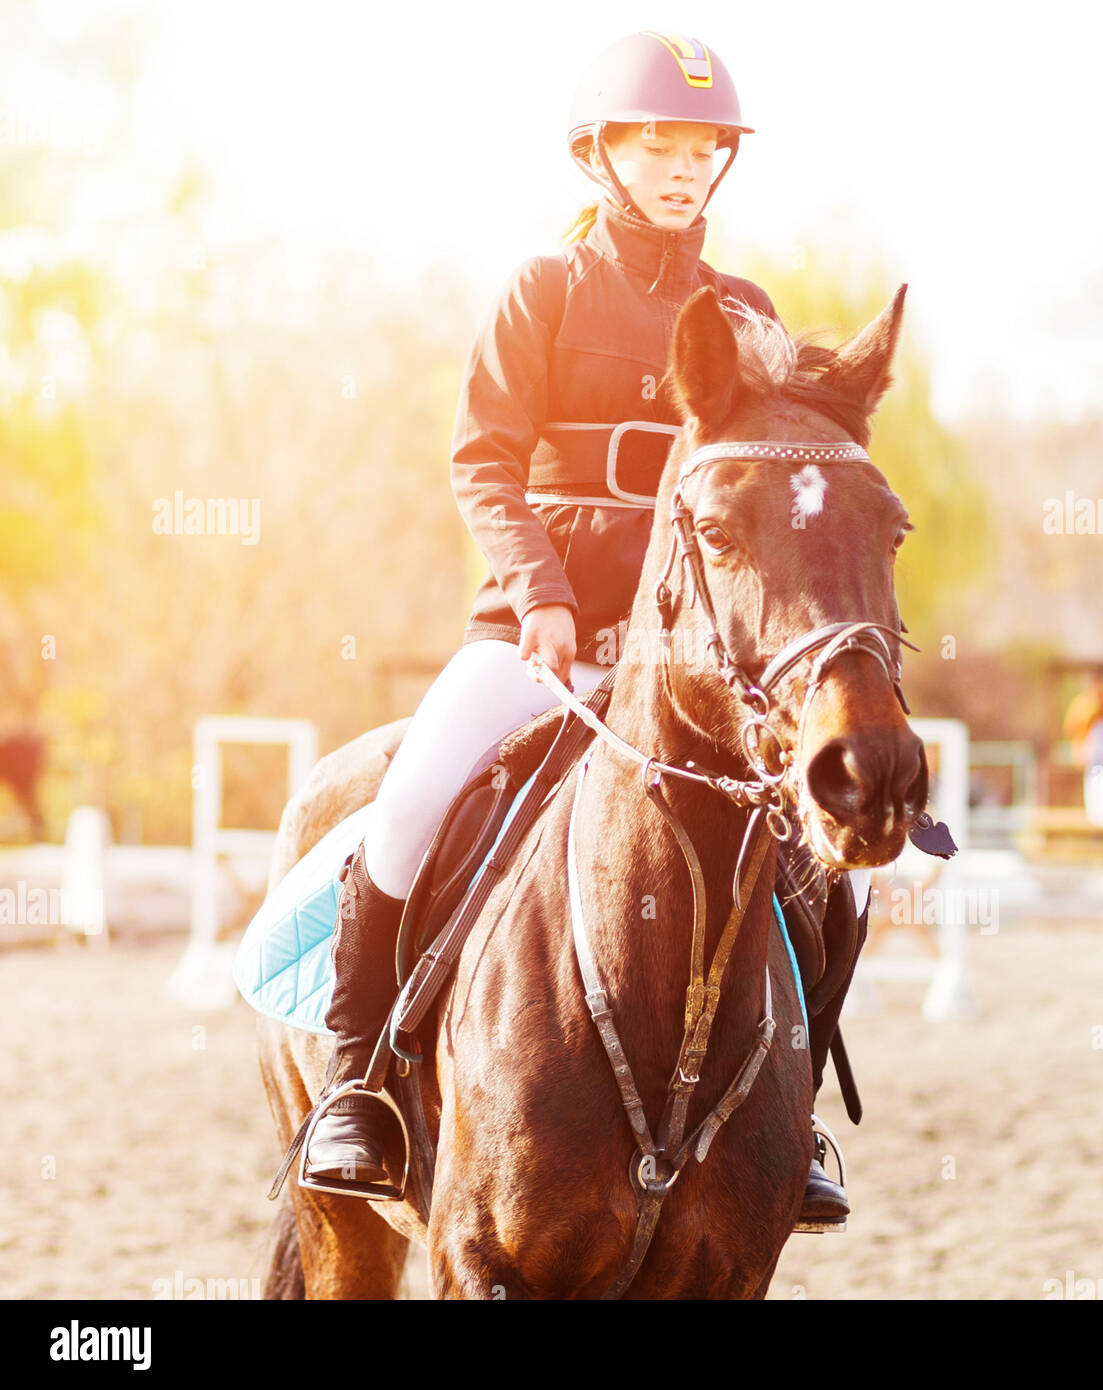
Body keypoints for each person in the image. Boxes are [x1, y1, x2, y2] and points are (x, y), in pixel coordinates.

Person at [305, 30, 852, 1223]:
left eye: (703, 150)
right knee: (411, 801)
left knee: (823, 868)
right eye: (659, 146)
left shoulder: (745, 310)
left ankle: (792, 1115)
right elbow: (482, 461)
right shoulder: (543, 291)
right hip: (535, 630)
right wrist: (542, 595)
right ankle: (355, 1086)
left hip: (694, 655)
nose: (683, 169)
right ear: (599, 153)